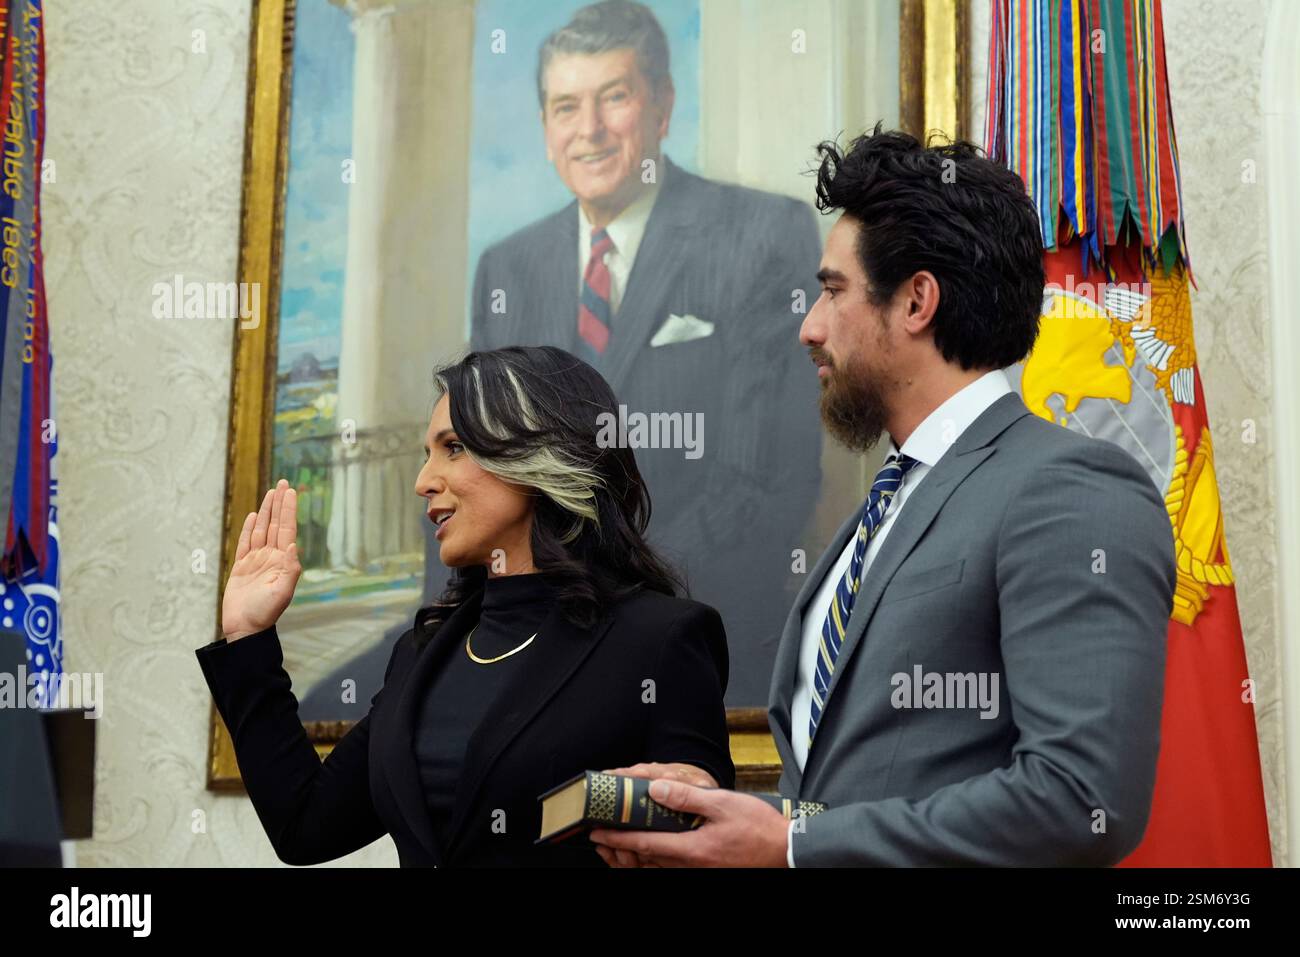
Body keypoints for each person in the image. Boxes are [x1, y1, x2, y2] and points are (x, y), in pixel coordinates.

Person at [590, 125, 1177, 867]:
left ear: (916, 301)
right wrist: (720, 816)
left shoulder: (1069, 489)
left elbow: (1078, 798)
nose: (808, 328)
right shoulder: (883, 506)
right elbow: (852, 805)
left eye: (832, 291)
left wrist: (791, 842)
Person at [197, 346, 734, 867]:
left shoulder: (661, 639)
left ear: (537, 455)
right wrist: (249, 635)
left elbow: (697, 842)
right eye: (427, 455)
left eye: (453, 447)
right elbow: (304, 826)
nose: (423, 482)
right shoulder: (423, 651)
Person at [470, 0, 823, 707]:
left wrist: (602, 607)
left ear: (662, 106)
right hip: (531, 663)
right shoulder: (507, 268)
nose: (590, 130)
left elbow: (764, 484)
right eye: (566, 107)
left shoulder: (762, 236)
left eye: (616, 97)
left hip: (700, 645)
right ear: (545, 130)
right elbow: (479, 474)